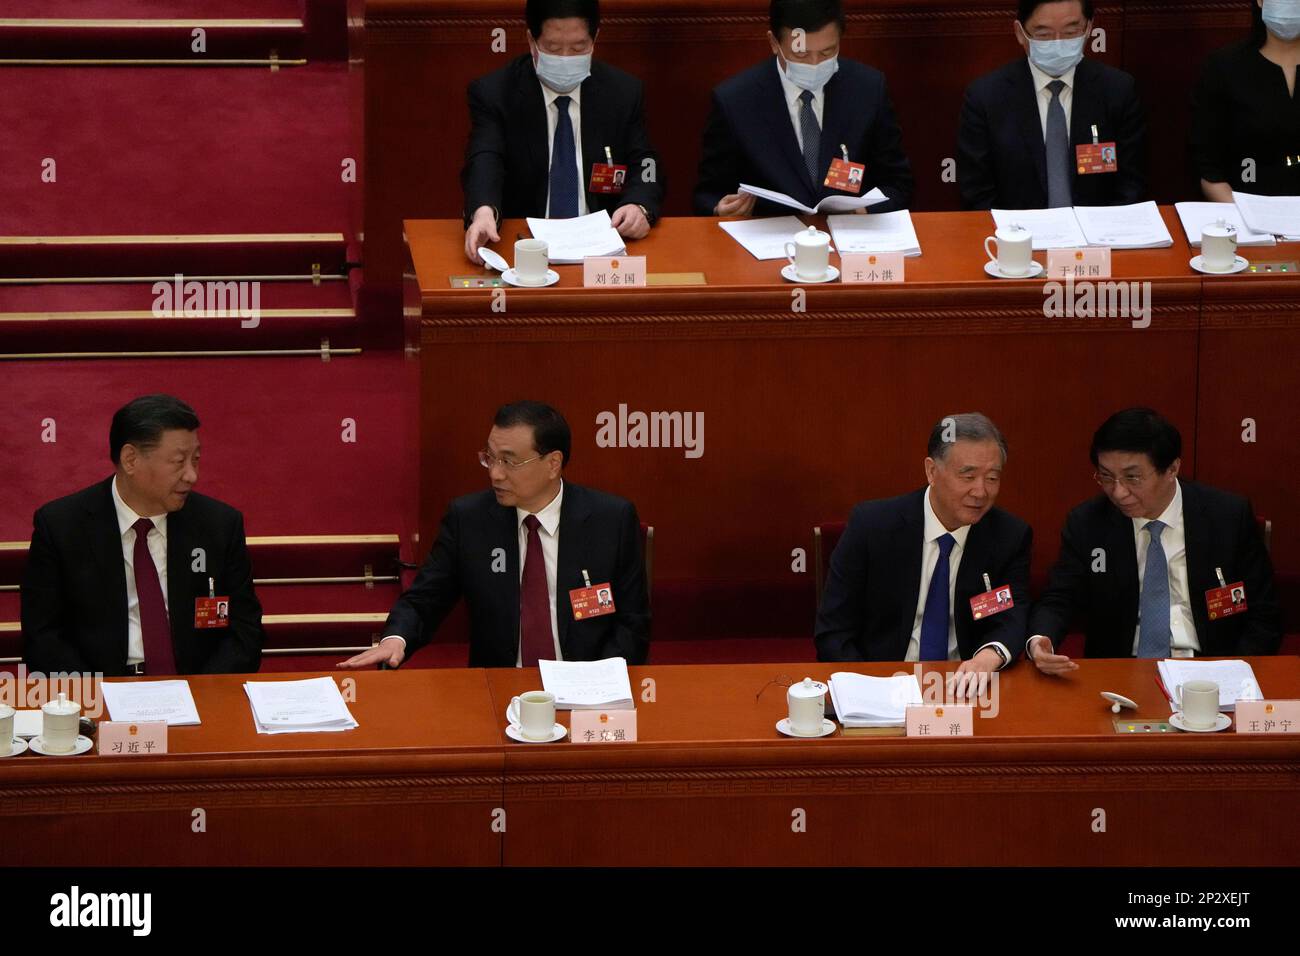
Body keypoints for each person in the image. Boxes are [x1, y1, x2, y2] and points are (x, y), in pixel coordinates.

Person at [340, 401, 649, 670]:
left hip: (588, 690)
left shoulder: (611, 520)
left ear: (553, 463)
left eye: (509, 461)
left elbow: (632, 622)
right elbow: (426, 598)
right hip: (498, 689)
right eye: (490, 457)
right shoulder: (469, 520)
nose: (494, 473)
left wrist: (596, 683)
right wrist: (397, 637)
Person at [21, 395, 264, 676]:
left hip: (197, 691)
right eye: (178, 461)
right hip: (100, 694)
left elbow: (245, 631)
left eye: (195, 459)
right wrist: (97, 697)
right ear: (130, 459)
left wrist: (204, 692)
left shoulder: (219, 526)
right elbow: (44, 637)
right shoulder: (62, 527)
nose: (191, 475)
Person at [1027, 408, 1282, 675]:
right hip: (1119, 674)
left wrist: (1233, 673)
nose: (1118, 491)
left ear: (1172, 468)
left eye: (1132, 477)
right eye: (1106, 476)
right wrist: (1040, 639)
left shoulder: (1227, 517)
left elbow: (1265, 614)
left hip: (1210, 669)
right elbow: (1059, 597)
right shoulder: (1088, 523)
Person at [815, 414, 1032, 695]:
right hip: (879, 685)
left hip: (966, 688)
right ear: (931, 470)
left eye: (992, 478)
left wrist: (988, 656)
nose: (981, 491)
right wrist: (867, 691)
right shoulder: (872, 527)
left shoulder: (1008, 536)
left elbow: (1009, 616)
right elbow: (833, 631)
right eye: (968, 476)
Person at [461, 0, 665, 264]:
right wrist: (483, 210)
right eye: (553, 48)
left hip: (603, 250)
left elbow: (647, 163)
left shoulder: (623, 92)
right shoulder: (495, 93)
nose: (566, 58)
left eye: (578, 48)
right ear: (531, 41)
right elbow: (484, 158)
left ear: (595, 40)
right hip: (525, 248)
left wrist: (640, 206)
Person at [693, 0, 913, 217]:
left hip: (850, 240)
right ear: (773, 42)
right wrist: (720, 209)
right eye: (801, 54)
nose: (815, 64)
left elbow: (899, 183)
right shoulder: (735, 101)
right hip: (771, 243)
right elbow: (708, 194)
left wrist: (865, 210)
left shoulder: (868, 90)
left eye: (827, 52)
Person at [957, 0, 1146, 209]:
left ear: (1089, 28)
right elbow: (977, 195)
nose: (1058, 44)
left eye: (1070, 32)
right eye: (1044, 35)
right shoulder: (986, 98)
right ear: (1020, 33)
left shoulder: (1118, 91)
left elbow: (1131, 187)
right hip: (1018, 236)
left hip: (1100, 236)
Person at [1191, 0, 1300, 201]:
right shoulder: (1224, 67)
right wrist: (1242, 218)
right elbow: (1209, 168)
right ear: (1260, 1)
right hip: (1245, 212)